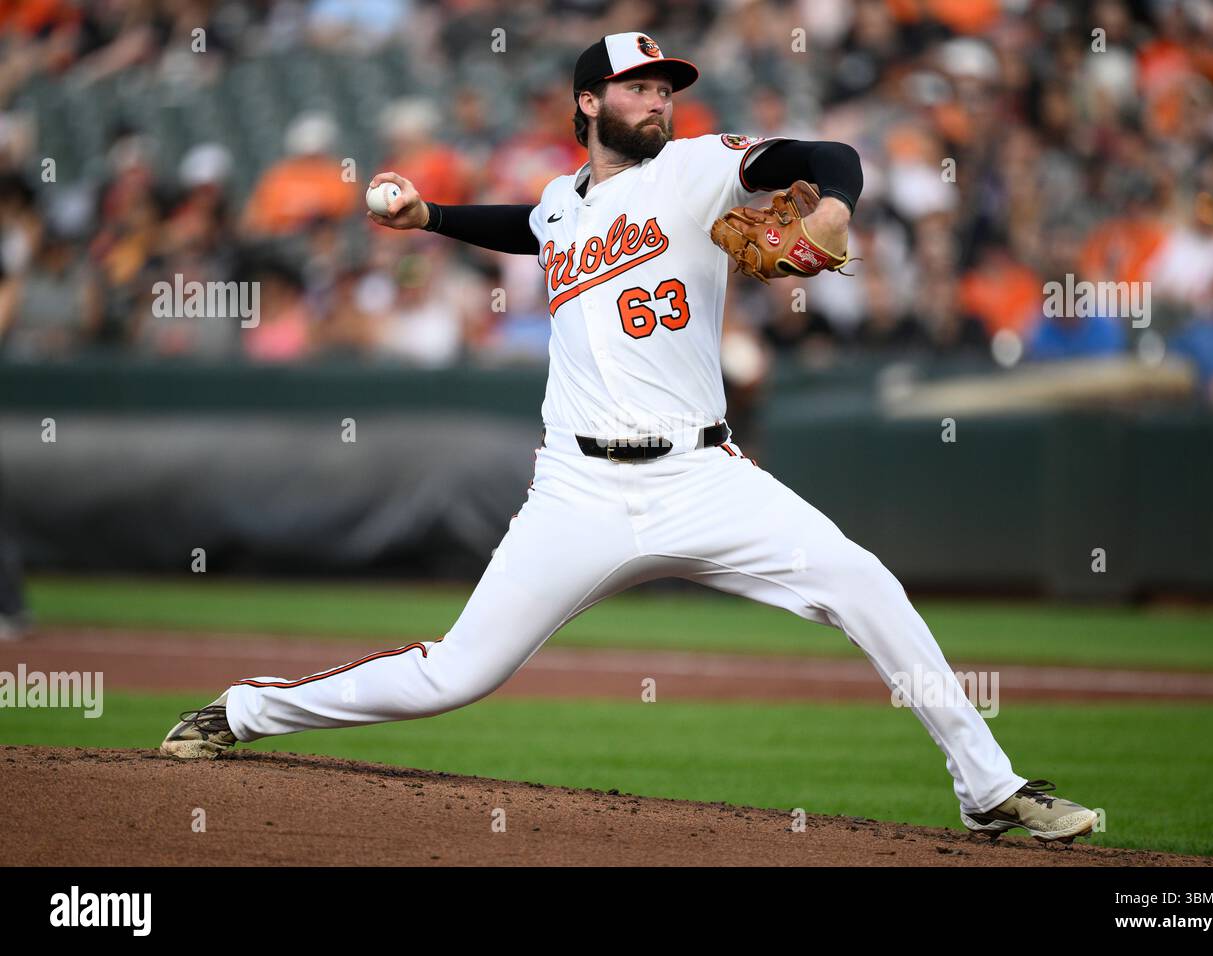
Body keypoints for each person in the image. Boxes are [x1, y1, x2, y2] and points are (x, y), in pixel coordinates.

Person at [162, 33, 1097, 845]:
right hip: (575, 492)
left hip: (702, 472)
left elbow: (826, 149)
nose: (659, 99)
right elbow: (531, 229)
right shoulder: (561, 204)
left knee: (864, 581)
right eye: (641, 87)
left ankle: (991, 791)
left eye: (666, 88)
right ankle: (243, 710)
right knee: (454, 675)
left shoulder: (693, 169)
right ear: (589, 103)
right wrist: (430, 219)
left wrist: (834, 205)